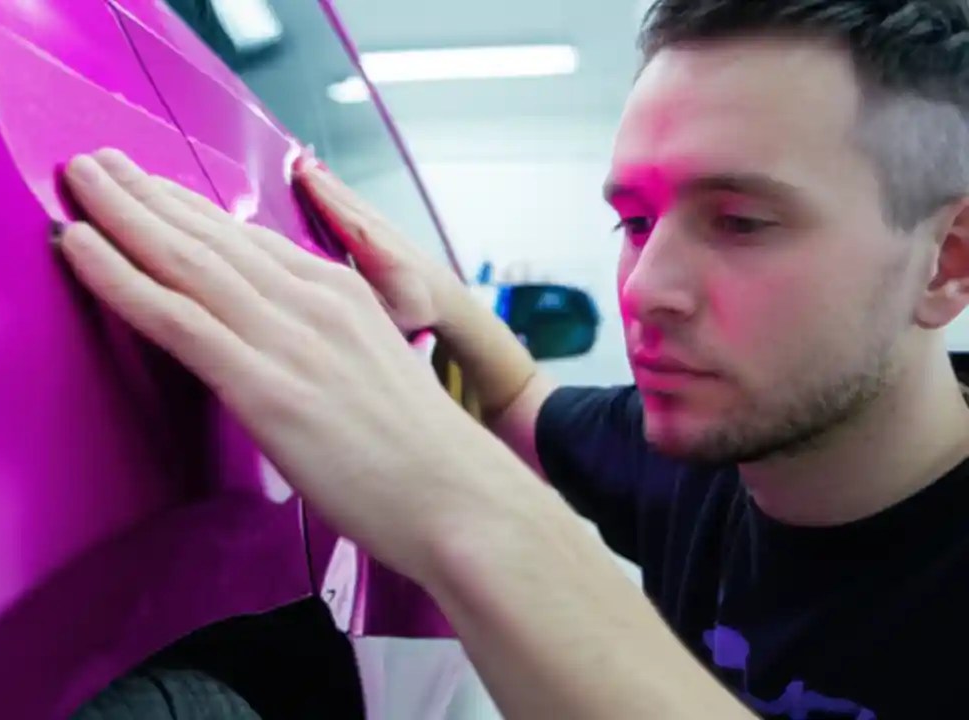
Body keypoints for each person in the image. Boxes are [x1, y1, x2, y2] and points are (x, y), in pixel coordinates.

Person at [51, 0, 969, 716]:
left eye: (741, 222)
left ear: (947, 263)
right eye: (636, 221)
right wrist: (438, 294)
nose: (646, 288)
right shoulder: (707, 467)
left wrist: (468, 513)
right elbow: (524, 396)